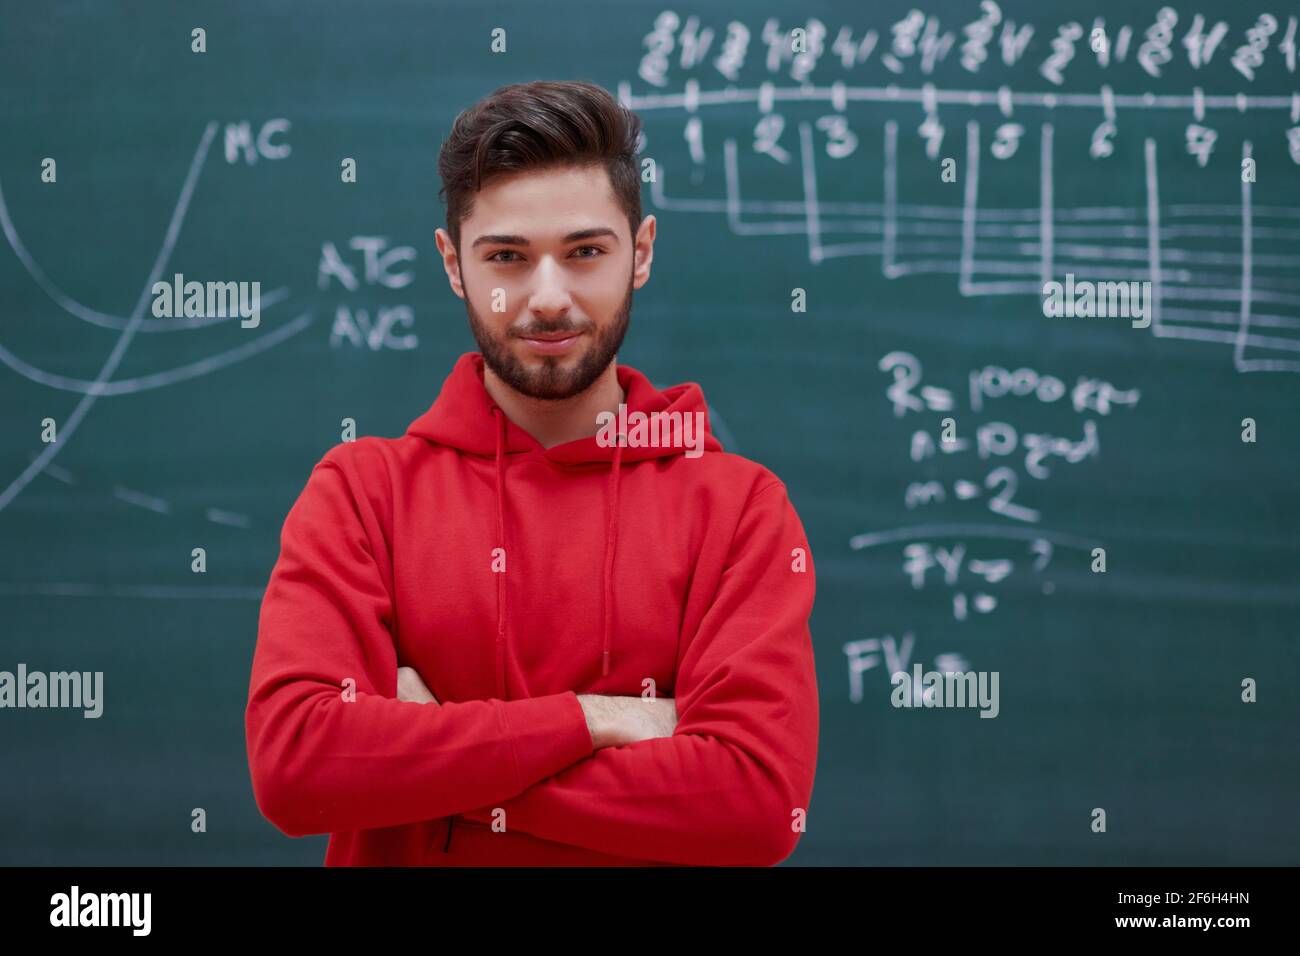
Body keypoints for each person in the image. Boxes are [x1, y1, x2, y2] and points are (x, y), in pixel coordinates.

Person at [244, 80, 819, 866]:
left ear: (641, 251)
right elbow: (298, 767)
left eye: (585, 252)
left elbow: (753, 805)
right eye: (507, 257)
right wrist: (592, 719)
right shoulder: (361, 494)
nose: (548, 298)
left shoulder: (739, 508)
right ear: (454, 265)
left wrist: (434, 757)